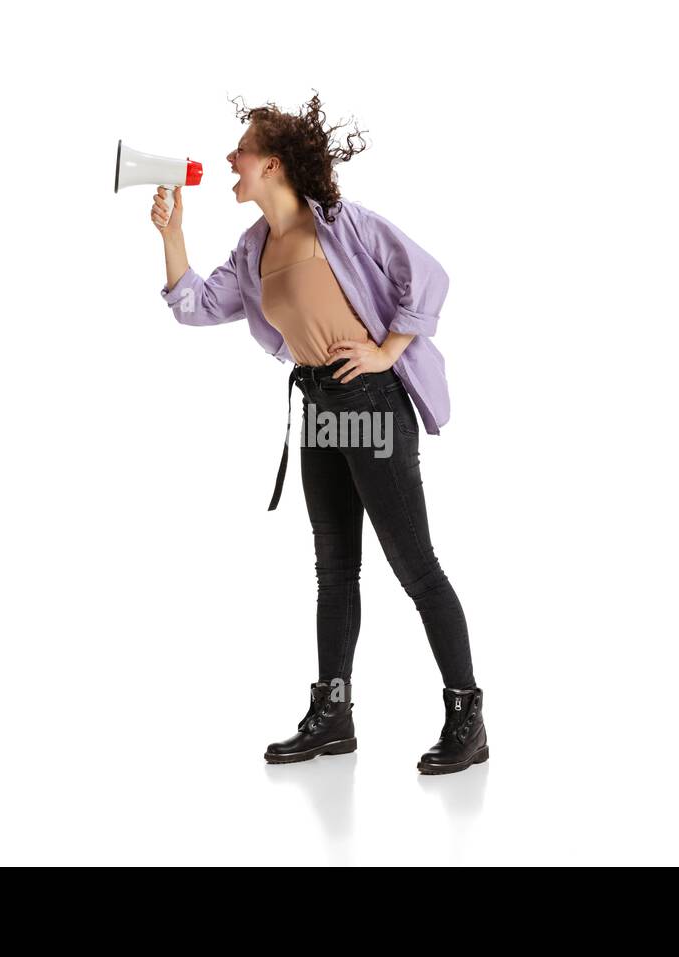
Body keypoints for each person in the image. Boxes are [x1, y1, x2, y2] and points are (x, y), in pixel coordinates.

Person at [153, 93, 487, 775]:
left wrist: (388, 352)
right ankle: (334, 715)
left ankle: (467, 716)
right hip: (319, 405)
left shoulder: (340, 224)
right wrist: (170, 235)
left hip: (369, 399)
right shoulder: (254, 251)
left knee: (415, 565)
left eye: (241, 150)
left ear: (271, 163)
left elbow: (427, 277)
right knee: (334, 569)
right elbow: (193, 305)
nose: (229, 160)